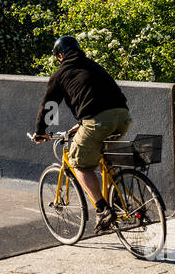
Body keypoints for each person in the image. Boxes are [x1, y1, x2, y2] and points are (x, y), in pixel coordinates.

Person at [32, 35, 131, 232]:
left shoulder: (61, 73)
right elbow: (94, 95)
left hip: (98, 121)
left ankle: (103, 210)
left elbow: (50, 106)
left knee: (79, 164)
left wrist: (41, 132)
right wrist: (82, 122)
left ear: (60, 56)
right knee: (101, 157)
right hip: (123, 117)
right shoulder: (93, 65)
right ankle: (118, 201)